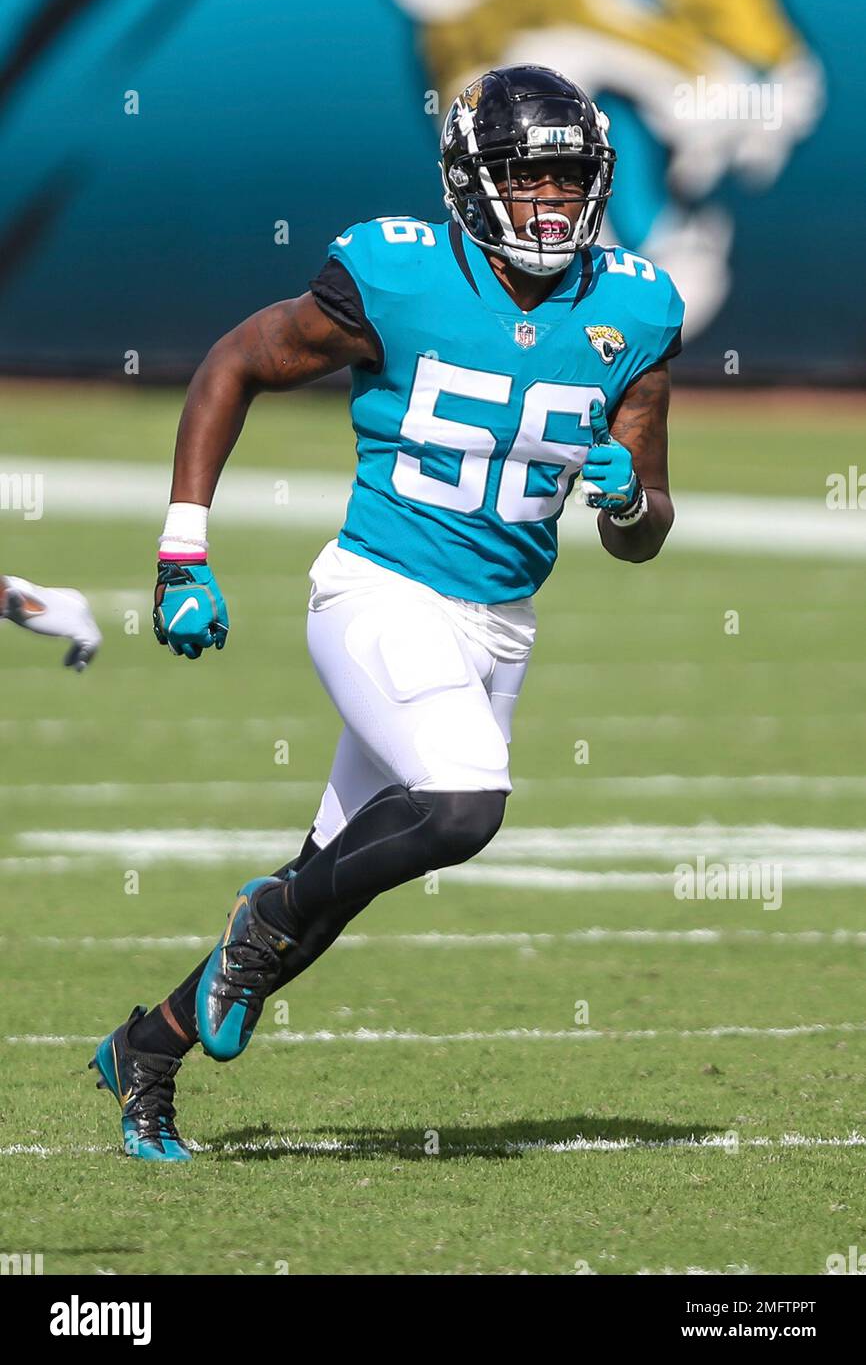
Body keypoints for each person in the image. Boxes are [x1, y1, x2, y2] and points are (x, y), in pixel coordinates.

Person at [90, 65, 683, 1160]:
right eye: (527, 178)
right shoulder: (396, 278)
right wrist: (181, 549)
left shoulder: (635, 308)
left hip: (500, 623)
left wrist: (626, 497)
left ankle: (147, 1049)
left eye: (567, 179)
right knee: (462, 808)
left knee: (331, 878)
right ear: (470, 181)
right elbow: (233, 363)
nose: (550, 203)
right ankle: (256, 921)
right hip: (377, 591)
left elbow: (641, 527)